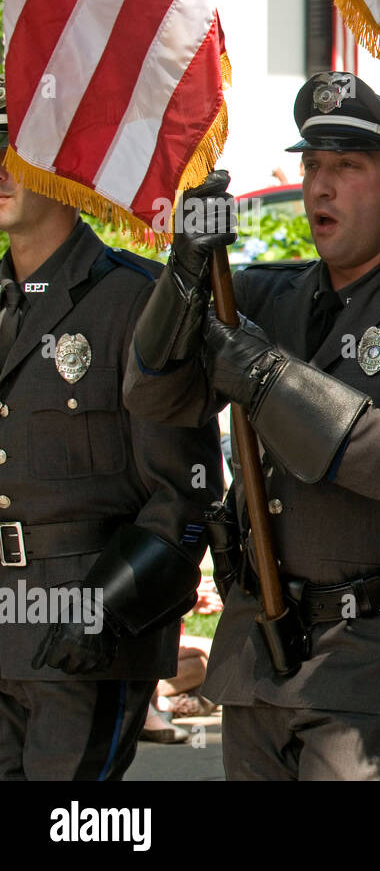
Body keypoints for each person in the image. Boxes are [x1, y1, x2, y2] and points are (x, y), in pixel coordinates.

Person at [123, 72, 380, 780]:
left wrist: (267, 378)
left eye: (347, 167)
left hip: (375, 655)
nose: (320, 186)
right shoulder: (264, 293)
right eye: (312, 165)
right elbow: (155, 395)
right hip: (261, 643)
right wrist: (185, 272)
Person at [0, 87, 222, 779]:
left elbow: (184, 492)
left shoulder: (136, 300)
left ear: (67, 166)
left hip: (83, 627)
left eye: (18, 153)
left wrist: (104, 609)